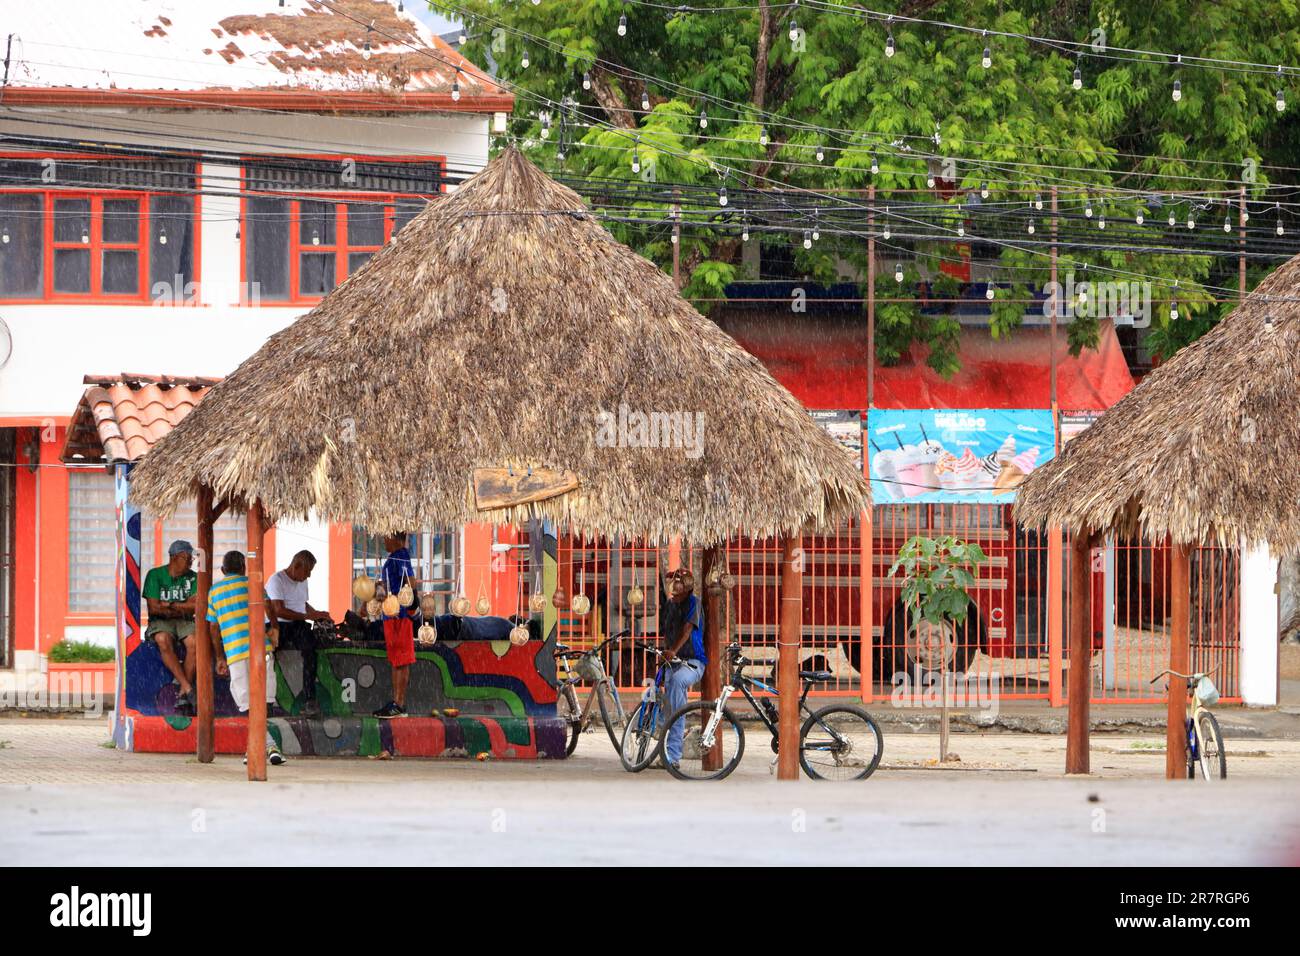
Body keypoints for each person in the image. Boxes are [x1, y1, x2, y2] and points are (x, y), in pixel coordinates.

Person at [207, 551, 285, 766]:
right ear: (243, 568)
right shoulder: (254, 584)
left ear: (223, 571)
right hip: (261, 649)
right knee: (265, 698)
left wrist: (219, 657)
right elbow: (270, 607)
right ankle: (265, 745)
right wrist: (275, 628)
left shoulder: (214, 592)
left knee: (248, 703)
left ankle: (256, 747)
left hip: (235, 652)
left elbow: (213, 627)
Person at [265, 550, 332, 716]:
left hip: (298, 624)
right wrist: (307, 616)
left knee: (310, 649)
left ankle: (310, 700)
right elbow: (278, 610)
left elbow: (302, 604)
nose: (308, 576)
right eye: (307, 571)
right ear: (297, 566)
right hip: (277, 624)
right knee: (268, 657)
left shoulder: (302, 582)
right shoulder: (276, 580)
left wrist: (317, 614)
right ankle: (266, 701)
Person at [659, 561, 707, 771]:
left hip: (693, 663)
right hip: (673, 661)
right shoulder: (670, 605)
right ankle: (661, 746)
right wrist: (663, 651)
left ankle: (674, 754)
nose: (675, 591)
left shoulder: (693, 604)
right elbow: (667, 632)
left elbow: (687, 629)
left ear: (687, 590)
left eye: (679, 588)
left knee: (677, 690)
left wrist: (673, 651)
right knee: (664, 701)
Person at [143, 540, 199, 715]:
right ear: (174, 557)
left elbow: (196, 606)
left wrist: (171, 605)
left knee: (195, 643)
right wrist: (183, 606)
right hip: (161, 621)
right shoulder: (155, 575)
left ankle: (183, 693)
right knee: (162, 639)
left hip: (183, 621)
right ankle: (188, 688)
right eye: (187, 558)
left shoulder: (193, 577)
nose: (190, 563)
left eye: (191, 559)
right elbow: (154, 608)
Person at [373, 533, 419, 719]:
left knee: (401, 659)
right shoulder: (392, 558)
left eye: (386, 537)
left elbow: (410, 581)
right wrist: (377, 589)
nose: (383, 540)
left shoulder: (401, 554)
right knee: (395, 659)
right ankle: (395, 702)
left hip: (400, 616)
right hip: (390, 616)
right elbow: (387, 590)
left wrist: (414, 604)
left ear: (395, 537)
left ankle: (400, 704)